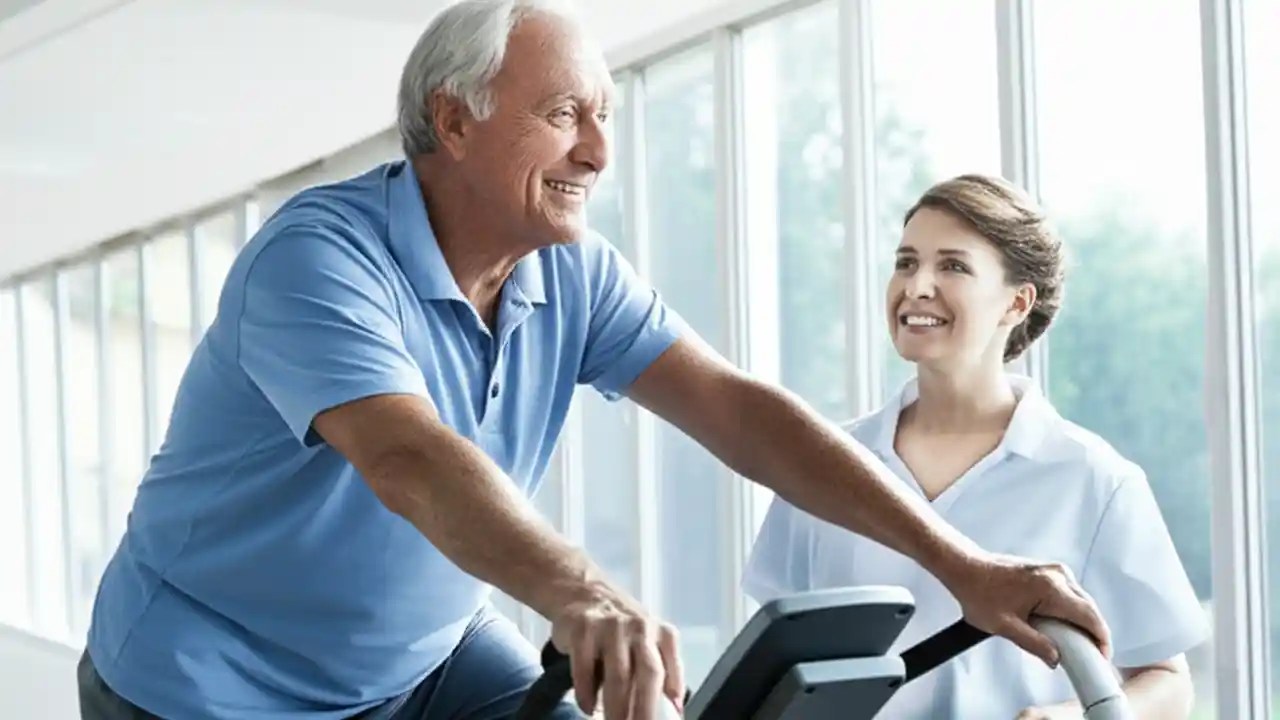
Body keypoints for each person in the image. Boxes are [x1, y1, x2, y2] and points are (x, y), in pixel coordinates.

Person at [78, 2, 1112, 719]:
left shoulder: (567, 271)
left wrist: (960, 565)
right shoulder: (314, 260)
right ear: (453, 119)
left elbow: (737, 412)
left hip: (420, 662)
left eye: (603, 117)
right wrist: (585, 594)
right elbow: (407, 457)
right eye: (563, 114)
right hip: (207, 684)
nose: (597, 153)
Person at [743, 174, 1208, 720]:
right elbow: (772, 663)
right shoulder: (823, 460)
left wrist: (1071, 717)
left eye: (953, 266)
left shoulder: (1092, 479)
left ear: (1017, 302)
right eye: (906, 261)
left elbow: (1168, 681)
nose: (917, 286)